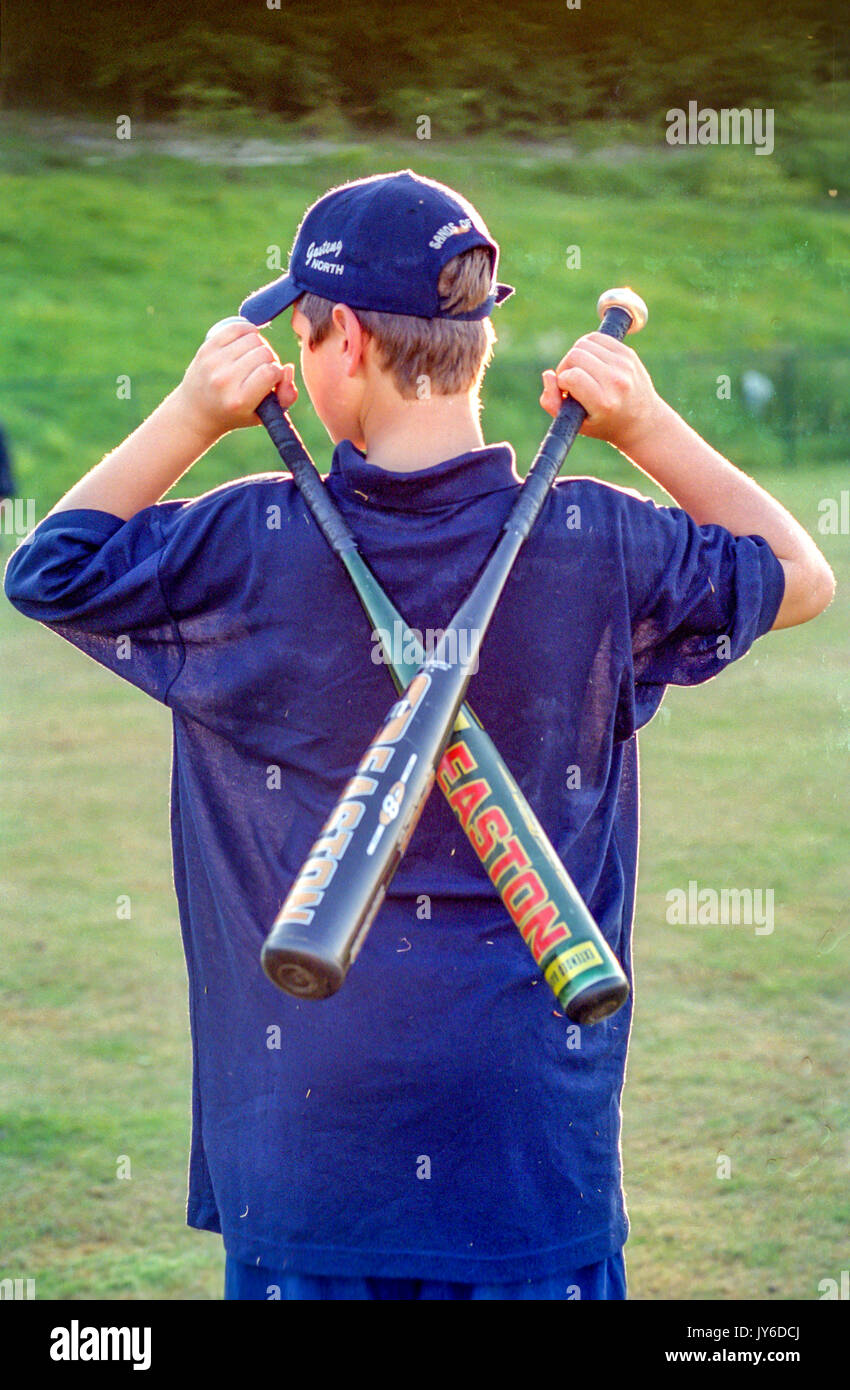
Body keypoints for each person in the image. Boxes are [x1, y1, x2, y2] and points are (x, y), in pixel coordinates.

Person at [3, 170, 834, 1301]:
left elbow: (49, 570)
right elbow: (799, 575)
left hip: (307, 1155)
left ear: (340, 338)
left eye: (300, 332)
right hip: (530, 1158)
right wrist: (647, 425)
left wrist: (191, 412)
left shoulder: (246, 539)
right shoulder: (596, 535)